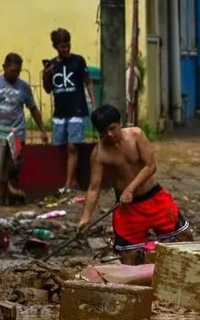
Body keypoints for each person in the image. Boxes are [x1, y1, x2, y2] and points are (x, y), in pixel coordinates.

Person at [79, 104, 192, 264]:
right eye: (104, 131)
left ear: (120, 123)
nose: (109, 134)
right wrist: (85, 218)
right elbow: (93, 188)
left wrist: (130, 189)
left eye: (112, 128)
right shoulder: (99, 153)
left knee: (185, 237)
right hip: (127, 208)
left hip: (154, 198)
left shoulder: (136, 135)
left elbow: (150, 166)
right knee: (127, 257)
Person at [42, 28, 94, 193]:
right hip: (60, 111)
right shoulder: (52, 65)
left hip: (76, 108)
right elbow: (48, 89)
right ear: (55, 47)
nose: (65, 49)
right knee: (61, 146)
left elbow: (88, 82)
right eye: (61, 47)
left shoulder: (78, 61)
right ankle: (72, 180)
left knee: (73, 147)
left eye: (67, 45)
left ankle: (67, 184)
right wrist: (46, 75)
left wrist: (94, 103)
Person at [0, 52, 47, 203]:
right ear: (4, 67)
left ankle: (12, 198)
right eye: (12, 70)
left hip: (17, 133)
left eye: (18, 71)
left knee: (15, 166)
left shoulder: (24, 87)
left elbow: (33, 109)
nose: (15, 74)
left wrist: (42, 129)